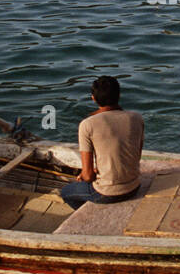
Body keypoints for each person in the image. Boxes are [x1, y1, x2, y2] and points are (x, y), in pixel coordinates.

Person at [59, 76, 144, 210]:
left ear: (93, 98)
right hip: (135, 186)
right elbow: (135, 157)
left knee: (65, 192)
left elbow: (87, 176)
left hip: (107, 193)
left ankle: (90, 213)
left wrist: (86, 175)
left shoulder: (87, 125)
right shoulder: (136, 118)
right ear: (119, 95)